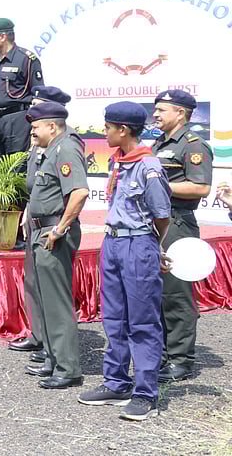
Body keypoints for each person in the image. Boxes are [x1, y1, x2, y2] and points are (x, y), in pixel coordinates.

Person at [77, 101, 172, 421]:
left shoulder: (148, 167)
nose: (104, 133)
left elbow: (162, 216)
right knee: (114, 318)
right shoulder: (118, 161)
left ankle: (145, 393)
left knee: (142, 321)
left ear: (123, 130)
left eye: (108, 128)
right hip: (113, 243)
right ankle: (116, 383)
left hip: (138, 244)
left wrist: (153, 247)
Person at [19, 102, 87, 389]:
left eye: (36, 127)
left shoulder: (66, 149)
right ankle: (52, 359)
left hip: (53, 233)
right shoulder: (50, 150)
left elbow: (79, 192)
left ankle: (68, 368)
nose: (32, 132)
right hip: (41, 231)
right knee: (45, 301)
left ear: (52, 126)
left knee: (56, 304)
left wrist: (60, 229)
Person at [150, 90, 213, 382]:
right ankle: (162, 354)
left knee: (175, 294)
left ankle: (180, 359)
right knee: (156, 293)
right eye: (156, 109)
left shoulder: (193, 144)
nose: (155, 114)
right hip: (153, 222)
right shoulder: (158, 143)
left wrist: (157, 184)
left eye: (162, 110)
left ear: (180, 113)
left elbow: (201, 187)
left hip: (177, 222)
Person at [11, 85, 74, 357]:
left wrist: (59, 225)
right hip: (36, 218)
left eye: (38, 106)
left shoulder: (65, 142)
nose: (32, 111)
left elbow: (73, 191)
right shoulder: (40, 138)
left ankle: (54, 349)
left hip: (53, 223)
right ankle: (39, 336)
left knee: (50, 290)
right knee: (33, 282)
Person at [0, 18, 44, 250]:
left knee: (16, 175)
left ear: (3, 36)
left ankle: (15, 233)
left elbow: (38, 96)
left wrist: (35, 129)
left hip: (16, 120)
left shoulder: (27, 59)